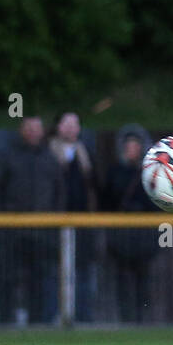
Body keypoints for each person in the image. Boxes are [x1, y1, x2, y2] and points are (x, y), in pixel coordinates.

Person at [0, 116, 63, 324]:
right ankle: (5, 323)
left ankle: (37, 324)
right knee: (7, 279)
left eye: (36, 128)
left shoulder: (49, 158)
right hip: (12, 230)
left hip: (41, 231)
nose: (33, 132)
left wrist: (54, 220)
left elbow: (59, 193)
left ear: (42, 132)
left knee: (39, 281)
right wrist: (2, 218)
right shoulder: (6, 155)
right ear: (21, 130)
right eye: (28, 128)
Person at [103, 127, 158, 322]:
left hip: (144, 236)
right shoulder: (116, 171)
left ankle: (142, 320)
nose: (131, 149)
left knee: (144, 280)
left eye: (135, 145)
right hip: (122, 236)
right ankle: (126, 319)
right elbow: (107, 201)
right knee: (123, 281)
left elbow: (157, 203)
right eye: (128, 146)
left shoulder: (150, 173)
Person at [49, 111, 97, 321]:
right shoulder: (48, 152)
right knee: (53, 271)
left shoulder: (84, 152)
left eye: (75, 124)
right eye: (66, 123)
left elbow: (93, 186)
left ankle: (82, 317)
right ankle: (51, 317)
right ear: (58, 126)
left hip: (83, 223)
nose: (70, 128)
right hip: (53, 223)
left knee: (82, 270)